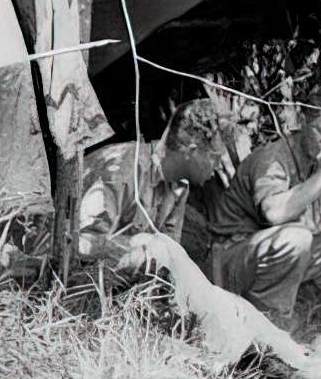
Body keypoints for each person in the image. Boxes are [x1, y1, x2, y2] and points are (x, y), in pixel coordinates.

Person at [205, 86, 321, 333]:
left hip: (271, 259)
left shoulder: (319, 158)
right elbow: (274, 212)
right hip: (230, 261)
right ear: (301, 119)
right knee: (297, 238)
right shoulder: (273, 157)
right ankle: (267, 331)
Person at [77, 99, 227, 267]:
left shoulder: (179, 187)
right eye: (214, 157)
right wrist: (142, 252)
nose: (219, 166)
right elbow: (82, 241)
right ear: (192, 151)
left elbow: (170, 252)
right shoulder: (123, 171)